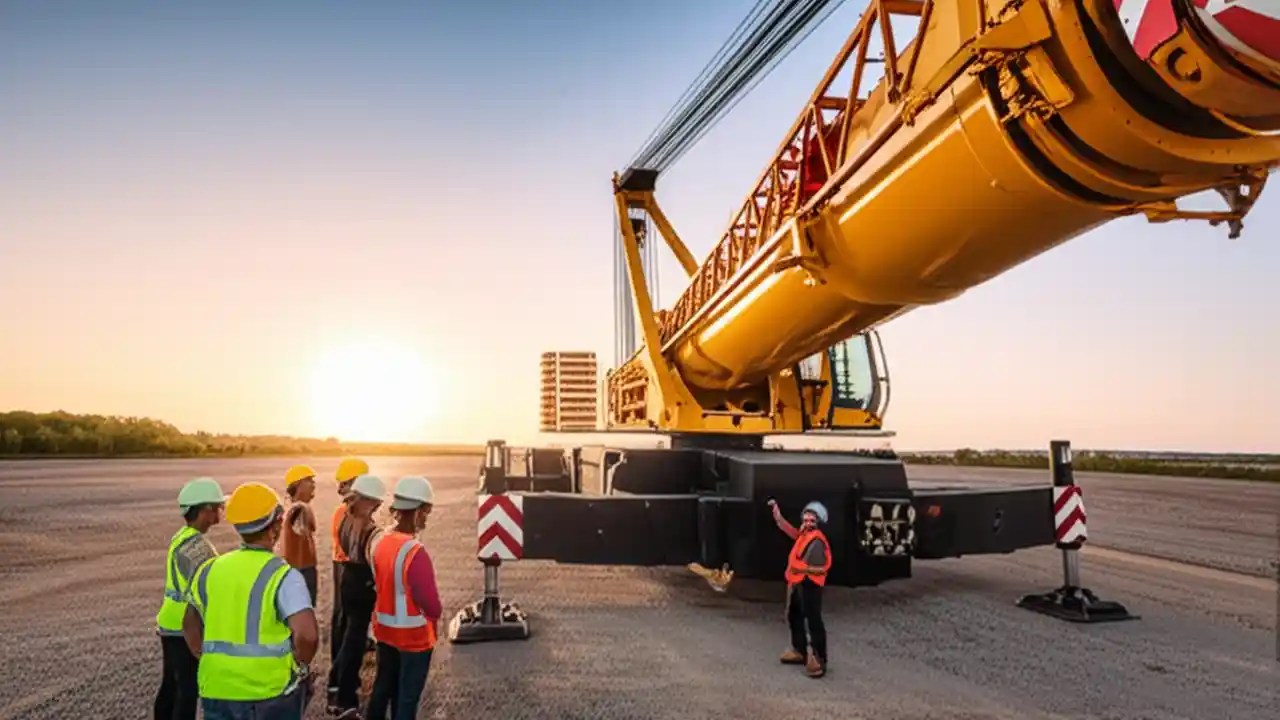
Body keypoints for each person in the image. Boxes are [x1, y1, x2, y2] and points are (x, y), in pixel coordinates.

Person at [183, 481, 320, 719]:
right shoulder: (284, 576)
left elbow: (189, 622)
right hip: (268, 693)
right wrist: (300, 668)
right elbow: (307, 636)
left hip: (216, 688)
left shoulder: (209, 569)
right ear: (276, 525)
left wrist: (204, 656)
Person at [365, 476, 442, 720]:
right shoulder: (415, 552)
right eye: (426, 512)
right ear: (418, 512)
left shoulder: (379, 542)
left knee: (383, 688)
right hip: (413, 638)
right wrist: (435, 615)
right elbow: (430, 604)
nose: (426, 519)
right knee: (407, 699)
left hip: (384, 632)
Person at [154, 477, 225, 720]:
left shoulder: (182, 536)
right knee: (186, 692)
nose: (220, 513)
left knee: (171, 687)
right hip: (184, 627)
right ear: (205, 510)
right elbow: (210, 587)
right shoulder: (195, 547)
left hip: (171, 622)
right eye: (217, 507)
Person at [330, 473, 387, 719]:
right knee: (355, 641)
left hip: (347, 578)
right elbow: (375, 561)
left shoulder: (344, 518)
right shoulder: (371, 529)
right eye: (377, 502)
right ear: (370, 501)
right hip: (363, 583)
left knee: (349, 638)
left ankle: (336, 687)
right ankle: (346, 699)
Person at [768, 498, 832, 678]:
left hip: (810, 584)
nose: (807, 522)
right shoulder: (804, 534)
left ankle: (819, 659)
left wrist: (801, 570)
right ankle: (799, 649)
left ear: (818, 522)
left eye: (811, 520)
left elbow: (820, 567)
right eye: (806, 519)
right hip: (797, 582)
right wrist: (778, 518)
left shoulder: (817, 541)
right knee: (794, 614)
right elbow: (792, 532)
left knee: (813, 620)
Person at [326, 456, 369, 709]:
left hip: (342, 566)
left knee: (342, 623)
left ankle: (340, 680)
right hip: (348, 568)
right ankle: (339, 681)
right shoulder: (348, 513)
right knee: (348, 628)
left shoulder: (342, 511)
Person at [278, 464, 319, 604]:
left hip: (294, 569)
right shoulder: (299, 509)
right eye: (309, 480)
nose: (313, 485)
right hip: (301, 571)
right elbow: (306, 527)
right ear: (298, 485)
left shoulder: (289, 508)